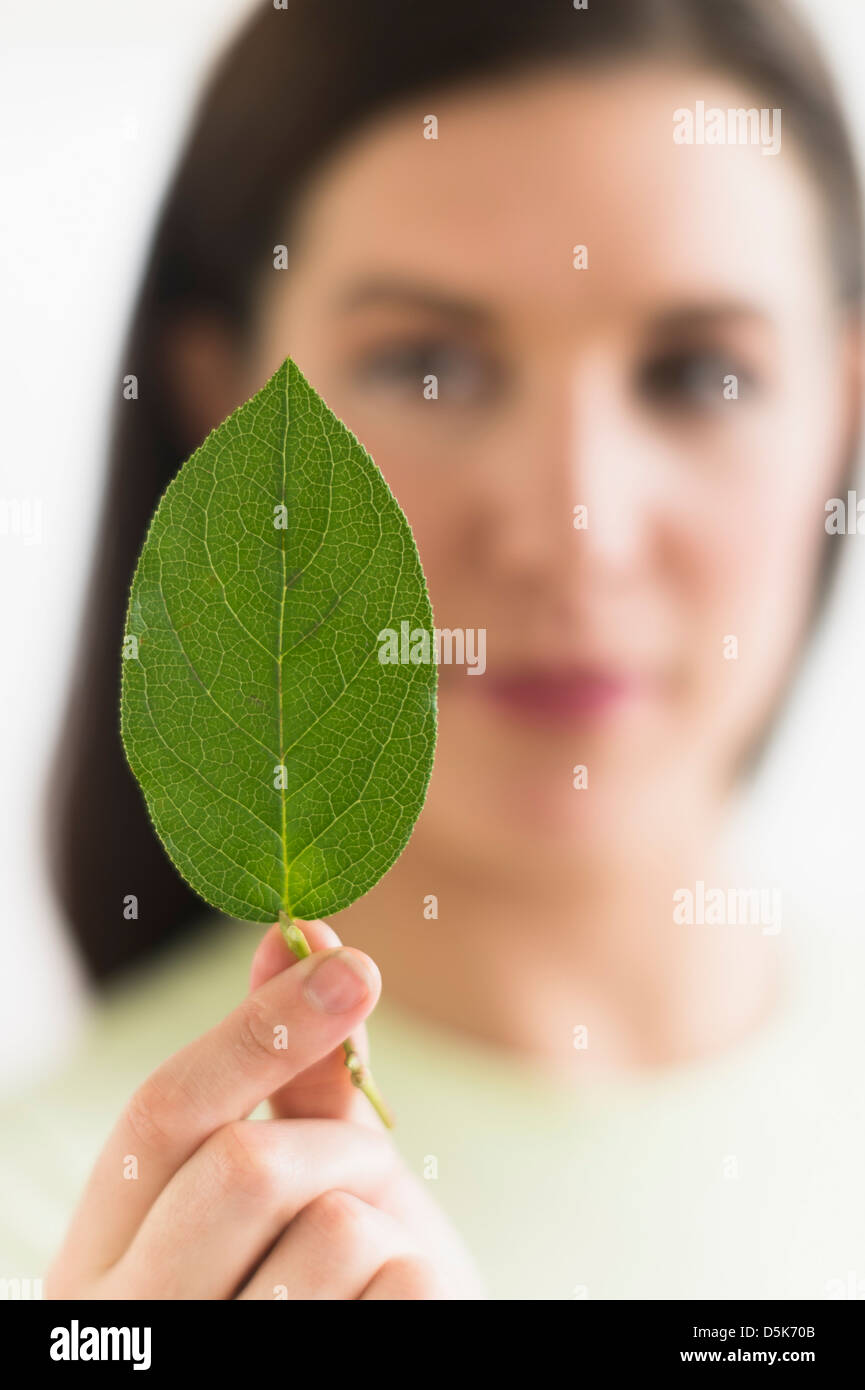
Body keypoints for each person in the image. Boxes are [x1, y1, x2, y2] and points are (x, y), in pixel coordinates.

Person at [4, 0, 864, 1298]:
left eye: (698, 375)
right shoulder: (79, 1246)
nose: (571, 528)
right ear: (220, 405)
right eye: (425, 364)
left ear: (842, 412)